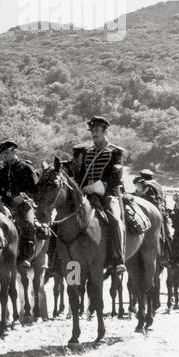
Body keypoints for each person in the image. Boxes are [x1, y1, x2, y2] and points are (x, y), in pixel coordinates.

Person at [70, 116, 125, 274]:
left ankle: (118, 259)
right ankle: (58, 262)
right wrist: (80, 187)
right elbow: (81, 175)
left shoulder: (115, 152)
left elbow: (115, 177)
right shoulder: (87, 152)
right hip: (87, 195)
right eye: (92, 131)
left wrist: (94, 187)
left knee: (114, 220)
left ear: (105, 131)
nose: (94, 133)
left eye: (97, 130)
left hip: (107, 194)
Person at [0, 139, 38, 259]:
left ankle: (26, 256)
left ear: (14, 151)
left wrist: (24, 197)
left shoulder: (26, 168)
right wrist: (1, 202)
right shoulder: (1, 172)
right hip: (5, 205)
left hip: (24, 204)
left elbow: (35, 188)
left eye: (6, 153)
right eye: (2, 154)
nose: (4, 156)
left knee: (28, 223)